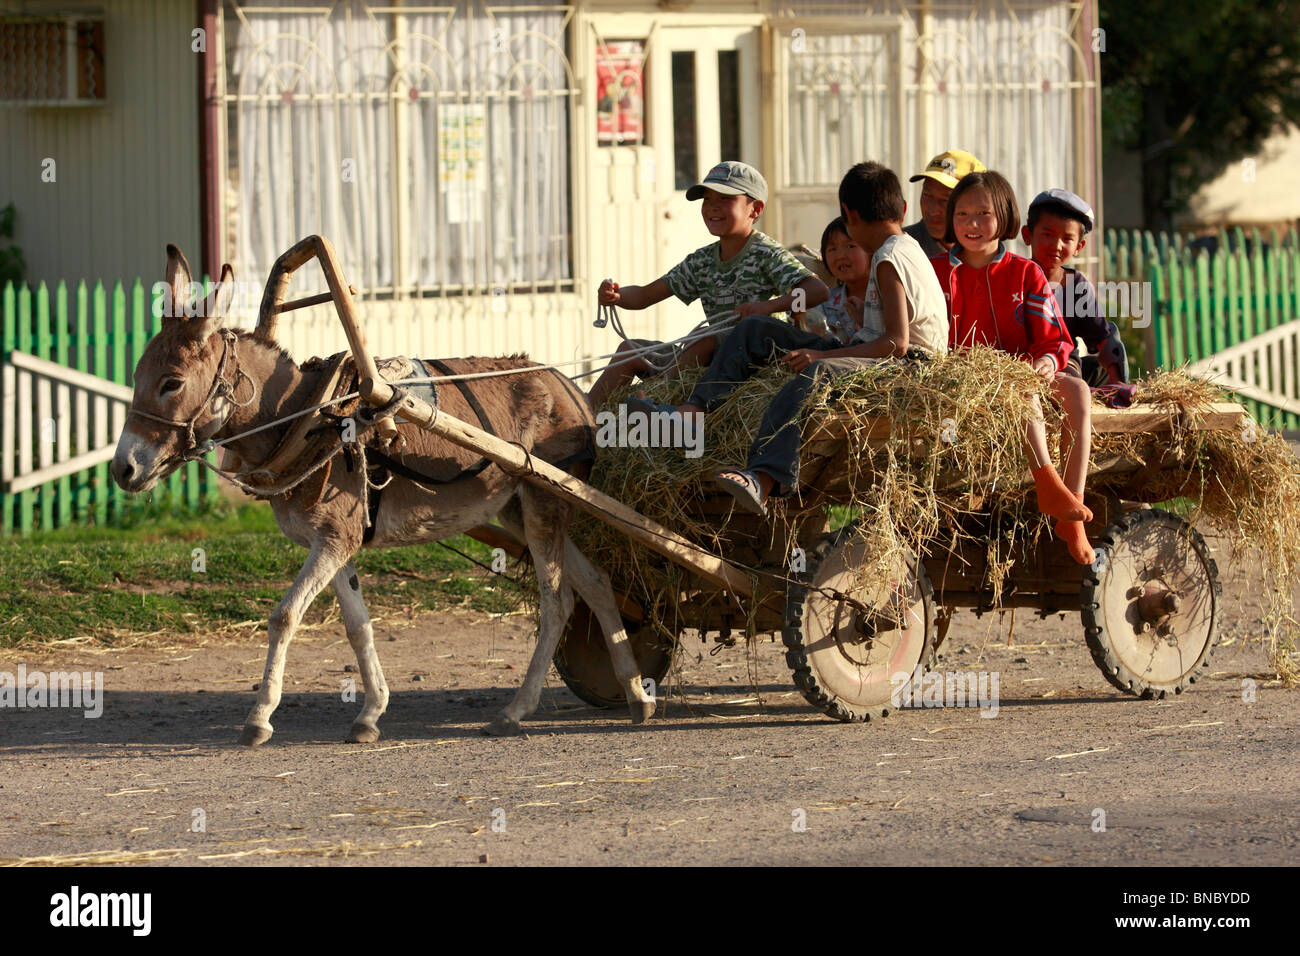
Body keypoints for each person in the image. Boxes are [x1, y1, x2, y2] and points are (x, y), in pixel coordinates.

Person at [635, 162, 948, 515]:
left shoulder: (889, 259)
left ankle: (764, 478)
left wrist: (820, 358)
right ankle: (692, 411)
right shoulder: (902, 249)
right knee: (756, 329)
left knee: (813, 376)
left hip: (906, 368)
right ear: (902, 210)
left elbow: (897, 345)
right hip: (878, 356)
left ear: (849, 214)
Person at [929, 171, 1096, 565]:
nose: (973, 224)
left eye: (983, 214)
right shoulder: (936, 272)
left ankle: (1073, 509)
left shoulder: (1026, 272)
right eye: (964, 214)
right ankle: (1045, 482)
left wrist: (1044, 361)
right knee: (1019, 390)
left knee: (1078, 390)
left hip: (1024, 373)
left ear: (1003, 217)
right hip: (962, 381)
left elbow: (1055, 339)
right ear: (952, 218)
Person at [587, 161, 829, 407]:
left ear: (755, 209)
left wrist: (769, 307)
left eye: (725, 199)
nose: (713, 207)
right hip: (707, 354)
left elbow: (817, 291)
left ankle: (657, 401)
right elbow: (645, 295)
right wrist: (617, 296)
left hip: (750, 357)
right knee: (629, 349)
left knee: (703, 336)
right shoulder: (701, 261)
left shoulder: (766, 253)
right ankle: (582, 417)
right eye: (707, 199)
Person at [1021, 188, 1129, 388]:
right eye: (1047, 234)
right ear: (1027, 235)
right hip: (1017, 366)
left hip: (1062, 366)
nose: (1056, 245)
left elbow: (1104, 340)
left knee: (1073, 382)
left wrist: (1119, 385)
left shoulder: (1076, 286)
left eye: (1067, 239)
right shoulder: (1012, 276)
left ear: (1079, 247)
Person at [903, 149, 987, 259]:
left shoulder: (989, 255)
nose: (933, 210)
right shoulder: (902, 249)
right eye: (927, 195)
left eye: (945, 200)